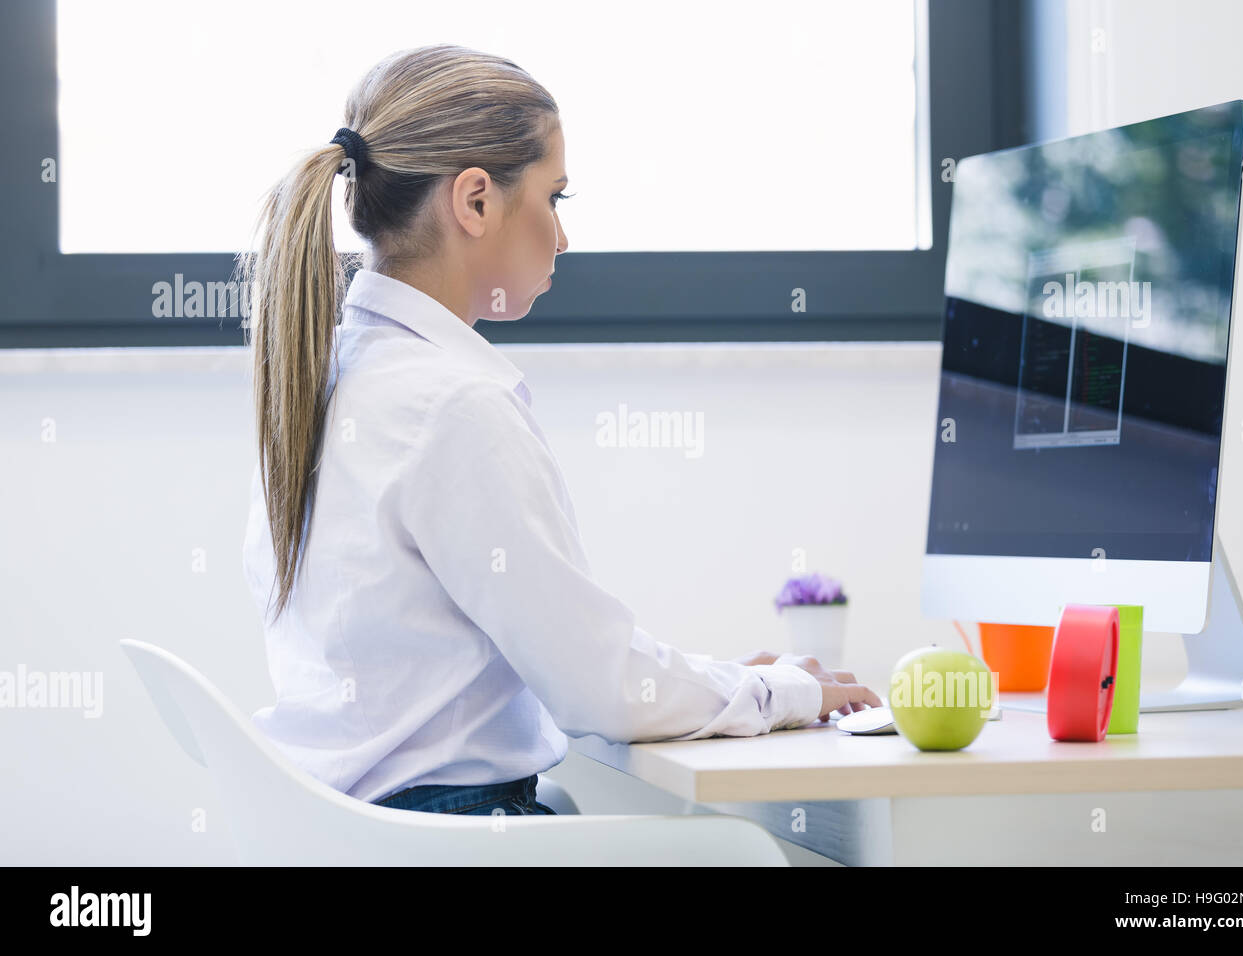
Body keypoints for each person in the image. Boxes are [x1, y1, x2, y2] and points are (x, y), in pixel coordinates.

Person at [240, 43, 881, 818]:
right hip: (454, 835)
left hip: (363, 831)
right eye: (557, 198)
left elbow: (568, 661)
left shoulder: (333, 376)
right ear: (475, 201)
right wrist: (782, 691)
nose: (564, 238)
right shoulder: (452, 406)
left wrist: (714, 684)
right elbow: (600, 689)